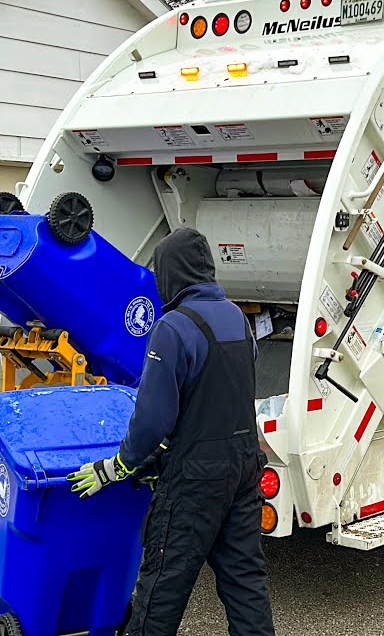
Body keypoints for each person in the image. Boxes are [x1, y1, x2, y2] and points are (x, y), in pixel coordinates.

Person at [68, 227, 275, 636]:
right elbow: (223, 394)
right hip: (243, 470)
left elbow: (152, 418)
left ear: (170, 274)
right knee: (245, 581)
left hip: (195, 480)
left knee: (162, 585)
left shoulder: (173, 328)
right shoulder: (237, 318)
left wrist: (118, 466)